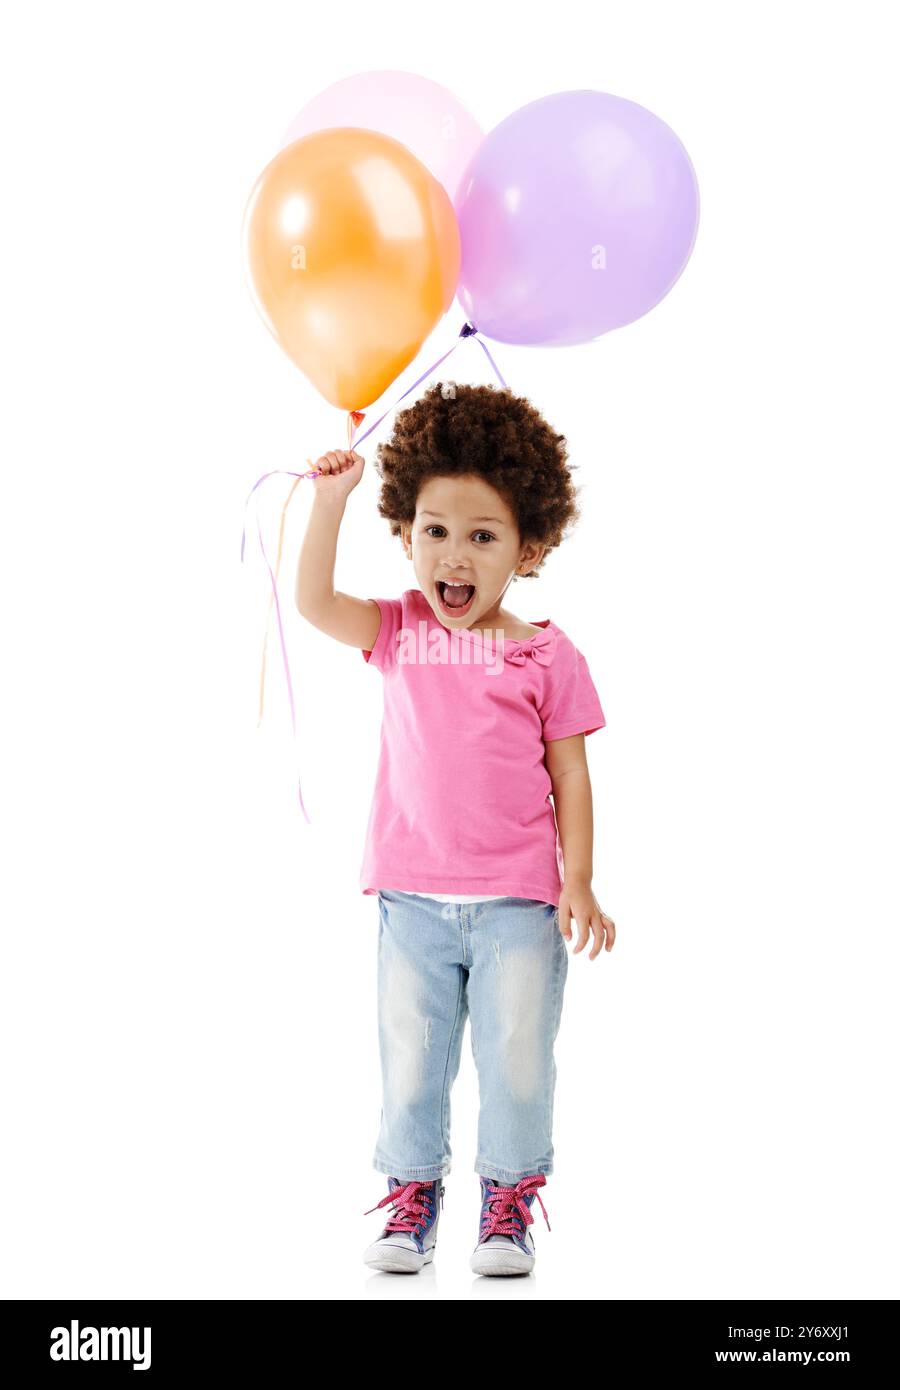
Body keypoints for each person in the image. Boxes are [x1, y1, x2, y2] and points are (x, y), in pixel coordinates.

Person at [295, 382, 617, 1277]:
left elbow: (571, 772)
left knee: (517, 1056)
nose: (456, 556)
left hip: (519, 902)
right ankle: (411, 1194)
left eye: (484, 536)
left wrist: (580, 878)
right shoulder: (396, 629)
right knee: (412, 1053)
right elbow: (316, 601)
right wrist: (330, 503)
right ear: (406, 534)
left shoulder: (548, 655)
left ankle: (508, 1202)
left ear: (531, 545)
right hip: (413, 901)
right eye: (435, 531)